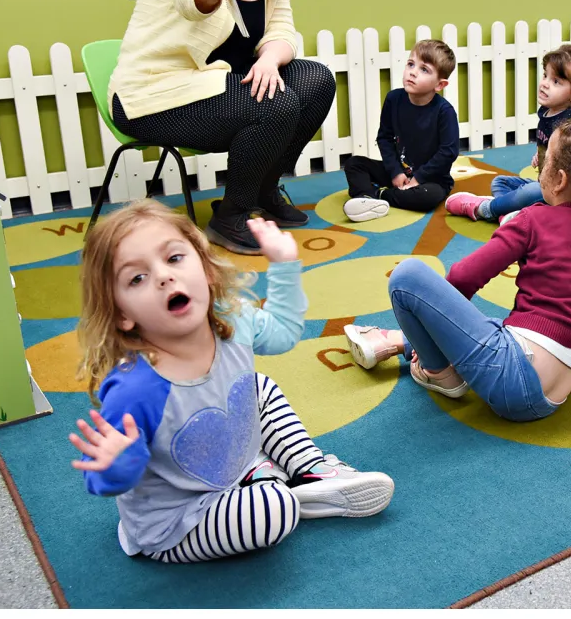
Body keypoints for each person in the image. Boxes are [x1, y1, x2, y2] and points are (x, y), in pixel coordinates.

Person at [69, 201, 394, 563]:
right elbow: (103, 479)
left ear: (206, 269)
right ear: (122, 315)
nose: (163, 276)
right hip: (179, 522)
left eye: (174, 258)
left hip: (232, 463)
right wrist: (118, 464)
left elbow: (284, 333)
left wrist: (284, 265)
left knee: (258, 387)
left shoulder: (232, 319)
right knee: (276, 508)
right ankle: (272, 487)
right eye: (137, 278)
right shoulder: (136, 390)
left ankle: (310, 470)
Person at [342, 116, 571, 421]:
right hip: (553, 396)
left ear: (559, 180)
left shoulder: (533, 219)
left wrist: (429, 329)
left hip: (511, 377)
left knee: (408, 276)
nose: (540, 165)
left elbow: (463, 278)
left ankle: (438, 372)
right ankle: (396, 342)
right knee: (493, 325)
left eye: (546, 159)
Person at [109, 0, 335, 255]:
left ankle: (263, 190)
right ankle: (231, 215)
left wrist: (269, 59)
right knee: (275, 103)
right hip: (153, 96)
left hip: (218, 90)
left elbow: (283, 32)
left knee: (317, 80)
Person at [445, 44, 571, 223]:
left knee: (531, 192)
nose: (545, 84)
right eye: (545, 75)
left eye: (556, 82)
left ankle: (486, 209)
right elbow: (550, 144)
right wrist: (542, 154)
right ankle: (509, 213)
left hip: (563, 196)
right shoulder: (548, 111)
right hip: (545, 185)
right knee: (500, 182)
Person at [342, 40, 459, 222]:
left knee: (429, 196)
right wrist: (395, 172)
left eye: (424, 69)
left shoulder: (444, 112)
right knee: (354, 164)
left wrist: (418, 179)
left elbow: (448, 152)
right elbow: (384, 137)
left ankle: (377, 196)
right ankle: (368, 197)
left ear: (439, 85)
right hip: (399, 172)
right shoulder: (393, 99)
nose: (413, 72)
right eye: (411, 64)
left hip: (430, 179)